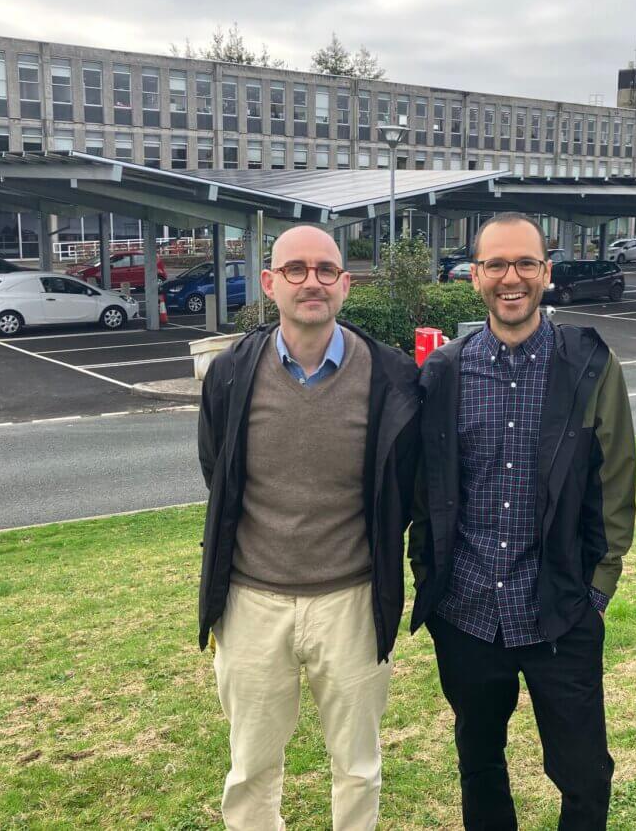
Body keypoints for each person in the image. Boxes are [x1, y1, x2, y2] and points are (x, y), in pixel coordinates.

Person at [409, 212, 636, 830]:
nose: (512, 278)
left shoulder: (589, 366)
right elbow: (423, 493)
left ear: (546, 272)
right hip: (468, 613)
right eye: (496, 265)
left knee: (584, 772)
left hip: (561, 608)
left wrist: (598, 588)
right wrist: (429, 574)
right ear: (476, 275)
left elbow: (616, 481)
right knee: (480, 764)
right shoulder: (444, 374)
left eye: (526, 263)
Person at [196, 225, 421, 831]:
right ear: (270, 284)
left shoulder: (391, 377)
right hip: (251, 604)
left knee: (357, 767)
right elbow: (218, 472)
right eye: (295, 269)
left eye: (325, 269)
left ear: (345, 284)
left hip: (351, 601)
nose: (311, 282)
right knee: (251, 768)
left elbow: (404, 487)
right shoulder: (230, 375)